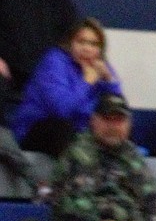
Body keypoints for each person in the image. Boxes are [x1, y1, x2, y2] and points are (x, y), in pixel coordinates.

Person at [11, 18, 122, 154]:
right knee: (64, 129)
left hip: (79, 131)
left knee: (116, 127)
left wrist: (109, 81)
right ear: (70, 43)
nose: (87, 48)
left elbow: (117, 108)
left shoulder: (101, 67)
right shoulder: (54, 61)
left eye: (94, 44)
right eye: (81, 42)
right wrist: (86, 82)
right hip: (39, 129)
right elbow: (63, 110)